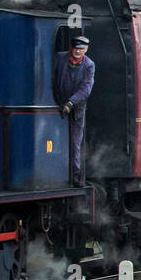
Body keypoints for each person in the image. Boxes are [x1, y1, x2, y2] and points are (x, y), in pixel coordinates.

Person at [53, 35, 95, 186]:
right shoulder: (60, 58)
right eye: (76, 48)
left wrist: (70, 103)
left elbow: (85, 89)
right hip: (57, 103)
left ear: (86, 50)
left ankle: (75, 177)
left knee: (75, 143)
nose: (78, 51)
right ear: (71, 48)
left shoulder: (89, 65)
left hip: (76, 108)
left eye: (81, 49)